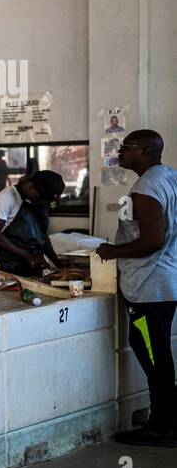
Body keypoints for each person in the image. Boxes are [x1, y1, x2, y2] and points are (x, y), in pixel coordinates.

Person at [96, 130, 177, 446]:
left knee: (153, 353)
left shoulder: (146, 188)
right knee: (156, 349)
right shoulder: (169, 176)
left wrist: (112, 252)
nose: (120, 153)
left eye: (125, 148)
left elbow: (153, 240)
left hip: (149, 285)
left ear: (144, 151)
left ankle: (162, 426)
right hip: (166, 280)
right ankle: (166, 416)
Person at [0, 170, 66, 276]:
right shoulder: (6, 198)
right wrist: (27, 255)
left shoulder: (36, 202)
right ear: (30, 187)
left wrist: (56, 261)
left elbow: (42, 236)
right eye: (40, 198)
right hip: (9, 270)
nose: (40, 203)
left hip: (34, 269)